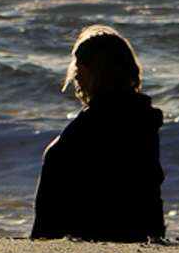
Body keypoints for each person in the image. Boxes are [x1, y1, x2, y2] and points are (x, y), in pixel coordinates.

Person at [30, 24, 165, 241]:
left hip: (87, 236)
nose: (75, 75)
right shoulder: (140, 119)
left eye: (80, 67)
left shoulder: (96, 124)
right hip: (132, 233)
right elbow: (151, 191)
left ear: (97, 73)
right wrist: (155, 235)